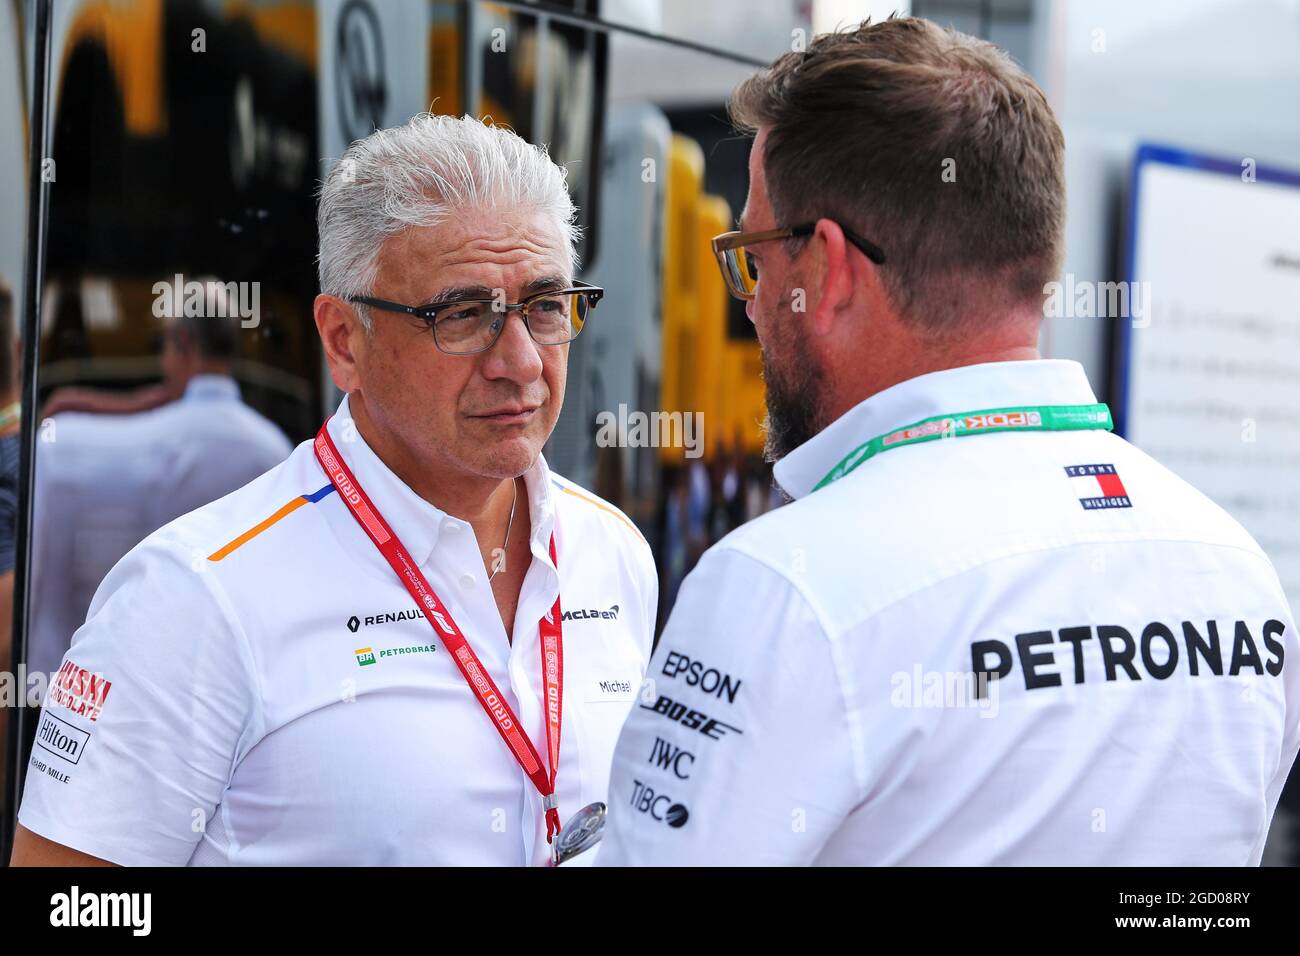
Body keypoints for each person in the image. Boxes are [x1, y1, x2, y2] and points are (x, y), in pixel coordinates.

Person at [597, 17, 1299, 865]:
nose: (748, 301)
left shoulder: (785, 588)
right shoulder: (1232, 566)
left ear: (826, 269)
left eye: (751, 254)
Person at [11, 113, 658, 866]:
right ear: (344, 341)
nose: (520, 361)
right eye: (464, 314)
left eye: (545, 307)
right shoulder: (193, 597)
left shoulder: (612, 551)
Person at [25, 298, 294, 682]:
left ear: (182, 342)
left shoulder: (75, 445)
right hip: (231, 674)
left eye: (163, 346)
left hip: (106, 674)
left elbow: (46, 584)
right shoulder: (272, 449)